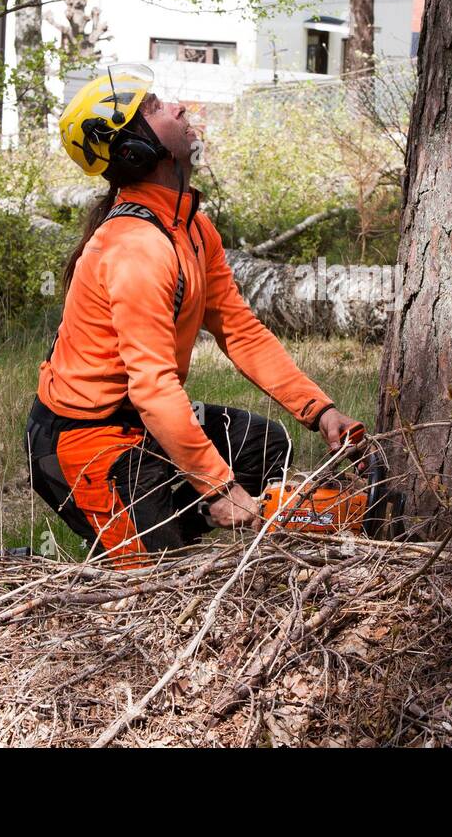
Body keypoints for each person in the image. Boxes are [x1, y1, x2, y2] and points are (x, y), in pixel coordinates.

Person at [26, 64, 362, 568]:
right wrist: (219, 486)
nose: (177, 107)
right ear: (132, 146)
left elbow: (241, 331)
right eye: (156, 106)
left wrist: (319, 409)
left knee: (262, 447)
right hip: (85, 442)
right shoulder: (134, 248)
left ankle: (211, 542)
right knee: (156, 584)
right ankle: (112, 549)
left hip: (140, 423)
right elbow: (154, 387)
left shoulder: (191, 228)